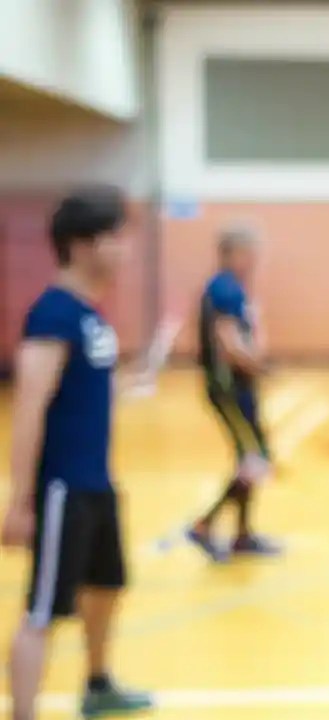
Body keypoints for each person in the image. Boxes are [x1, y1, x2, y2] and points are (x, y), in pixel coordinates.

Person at [2, 186, 154, 719]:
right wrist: (20, 501)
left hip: (97, 481)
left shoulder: (90, 315)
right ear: (83, 244)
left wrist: (125, 385)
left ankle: (97, 685)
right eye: (116, 237)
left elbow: (83, 391)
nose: (125, 249)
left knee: (106, 586)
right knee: (42, 611)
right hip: (62, 488)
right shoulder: (54, 314)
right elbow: (29, 407)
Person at [186, 223, 279, 562]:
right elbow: (230, 342)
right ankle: (203, 524)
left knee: (251, 459)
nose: (255, 261)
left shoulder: (233, 289)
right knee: (255, 458)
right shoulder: (225, 289)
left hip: (238, 387)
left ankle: (243, 534)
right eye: (251, 253)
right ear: (235, 253)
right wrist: (260, 366)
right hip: (230, 389)